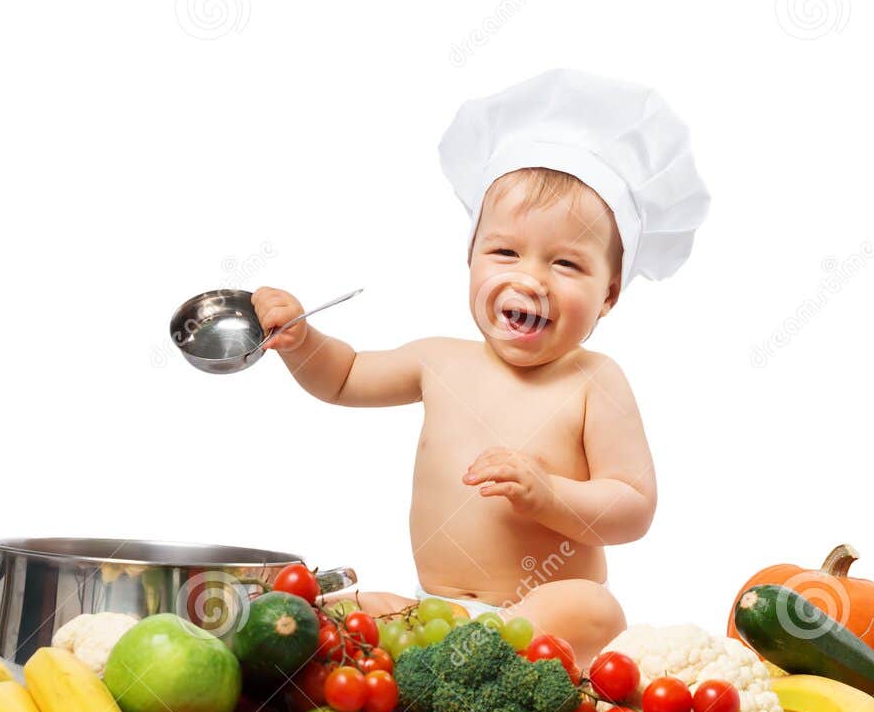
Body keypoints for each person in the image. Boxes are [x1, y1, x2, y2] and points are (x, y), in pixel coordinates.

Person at [253, 69, 709, 664]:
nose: (531, 278)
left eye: (567, 264)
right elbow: (342, 378)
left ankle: (481, 652)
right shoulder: (437, 359)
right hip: (434, 607)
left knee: (596, 609)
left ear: (610, 293)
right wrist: (303, 338)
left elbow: (632, 507)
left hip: (541, 618)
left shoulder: (595, 381)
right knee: (336, 605)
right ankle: (447, 653)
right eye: (505, 252)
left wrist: (550, 495)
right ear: (471, 257)